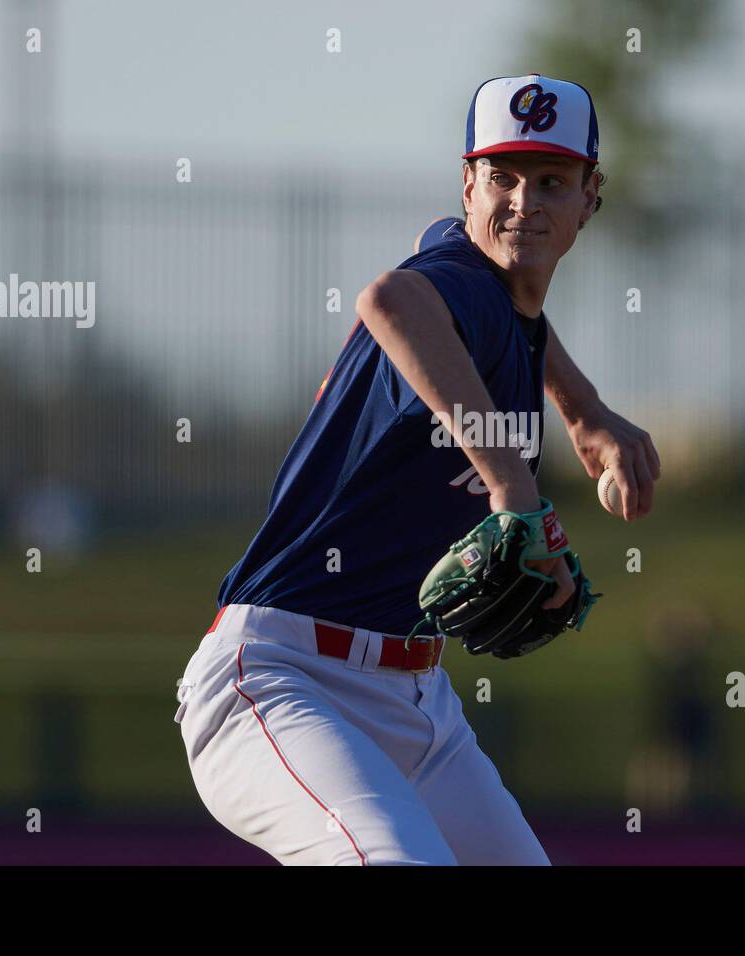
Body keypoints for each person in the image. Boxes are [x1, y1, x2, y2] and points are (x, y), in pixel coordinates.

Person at [172, 74, 660, 865]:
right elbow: (391, 302)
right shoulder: (456, 287)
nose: (523, 201)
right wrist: (517, 495)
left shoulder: (497, 300)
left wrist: (583, 409)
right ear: (467, 184)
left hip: (416, 706)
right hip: (280, 678)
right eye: (500, 177)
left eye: (551, 181)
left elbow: (521, 315)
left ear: (589, 198)